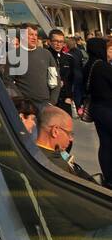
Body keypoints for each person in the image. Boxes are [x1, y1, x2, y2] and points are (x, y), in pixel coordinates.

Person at [34, 104, 96, 182]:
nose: (71, 139)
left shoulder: (30, 150)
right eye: (69, 133)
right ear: (55, 131)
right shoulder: (58, 167)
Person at [85, 36, 112, 187]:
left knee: (105, 143)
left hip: (97, 109)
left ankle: (108, 177)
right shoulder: (103, 67)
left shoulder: (88, 65)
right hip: (108, 109)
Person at [15, 23, 59, 109]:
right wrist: (21, 101)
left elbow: (55, 78)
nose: (34, 37)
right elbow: (8, 82)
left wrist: (52, 101)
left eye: (36, 35)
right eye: (31, 34)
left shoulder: (46, 54)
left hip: (45, 104)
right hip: (25, 107)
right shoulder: (13, 55)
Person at [47, 28, 81, 111]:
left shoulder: (69, 58)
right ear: (49, 42)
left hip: (65, 100)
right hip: (48, 99)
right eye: (56, 41)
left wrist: (70, 97)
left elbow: (74, 79)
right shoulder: (44, 57)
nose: (58, 44)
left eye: (61, 42)